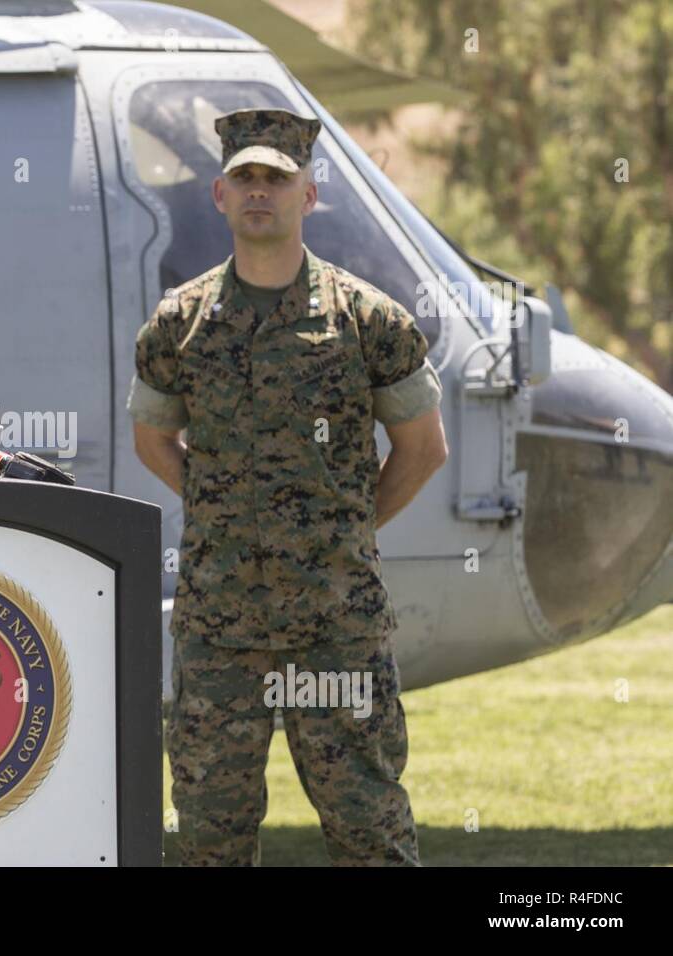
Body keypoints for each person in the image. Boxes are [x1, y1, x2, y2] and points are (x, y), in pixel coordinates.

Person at [128, 107, 448, 866]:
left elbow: (423, 447)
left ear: (310, 194)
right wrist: (215, 502)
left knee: (368, 828)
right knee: (208, 835)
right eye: (246, 178)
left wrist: (346, 525)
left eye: (278, 177)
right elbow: (152, 439)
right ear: (219, 194)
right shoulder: (181, 324)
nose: (260, 191)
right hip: (219, 630)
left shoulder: (370, 320)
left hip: (336, 627)